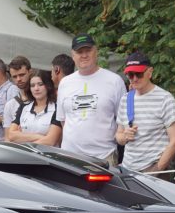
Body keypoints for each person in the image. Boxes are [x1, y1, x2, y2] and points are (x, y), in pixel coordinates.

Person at [33, 34, 127, 163]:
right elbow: (63, 120)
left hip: (104, 156)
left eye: (88, 50)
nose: (84, 55)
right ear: (73, 55)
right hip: (70, 156)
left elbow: (122, 121)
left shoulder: (115, 81)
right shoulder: (65, 83)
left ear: (96, 51)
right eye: (79, 52)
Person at [112, 51, 175, 173]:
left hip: (154, 170)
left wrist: (156, 170)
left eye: (138, 74)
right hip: (128, 168)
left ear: (150, 72)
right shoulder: (126, 99)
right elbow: (119, 135)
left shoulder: (165, 98)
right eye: (130, 75)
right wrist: (125, 137)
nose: (134, 79)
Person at [6, 70, 58, 142]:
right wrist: (40, 137)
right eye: (32, 85)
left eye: (40, 84)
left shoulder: (56, 109)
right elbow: (11, 135)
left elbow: (51, 141)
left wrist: (21, 136)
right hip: (24, 152)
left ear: (48, 85)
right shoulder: (23, 107)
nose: (36, 89)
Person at [4, 56, 33, 131]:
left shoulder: (42, 99)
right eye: (14, 76)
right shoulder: (10, 105)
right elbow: (7, 138)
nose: (18, 79)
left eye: (22, 75)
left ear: (30, 72)